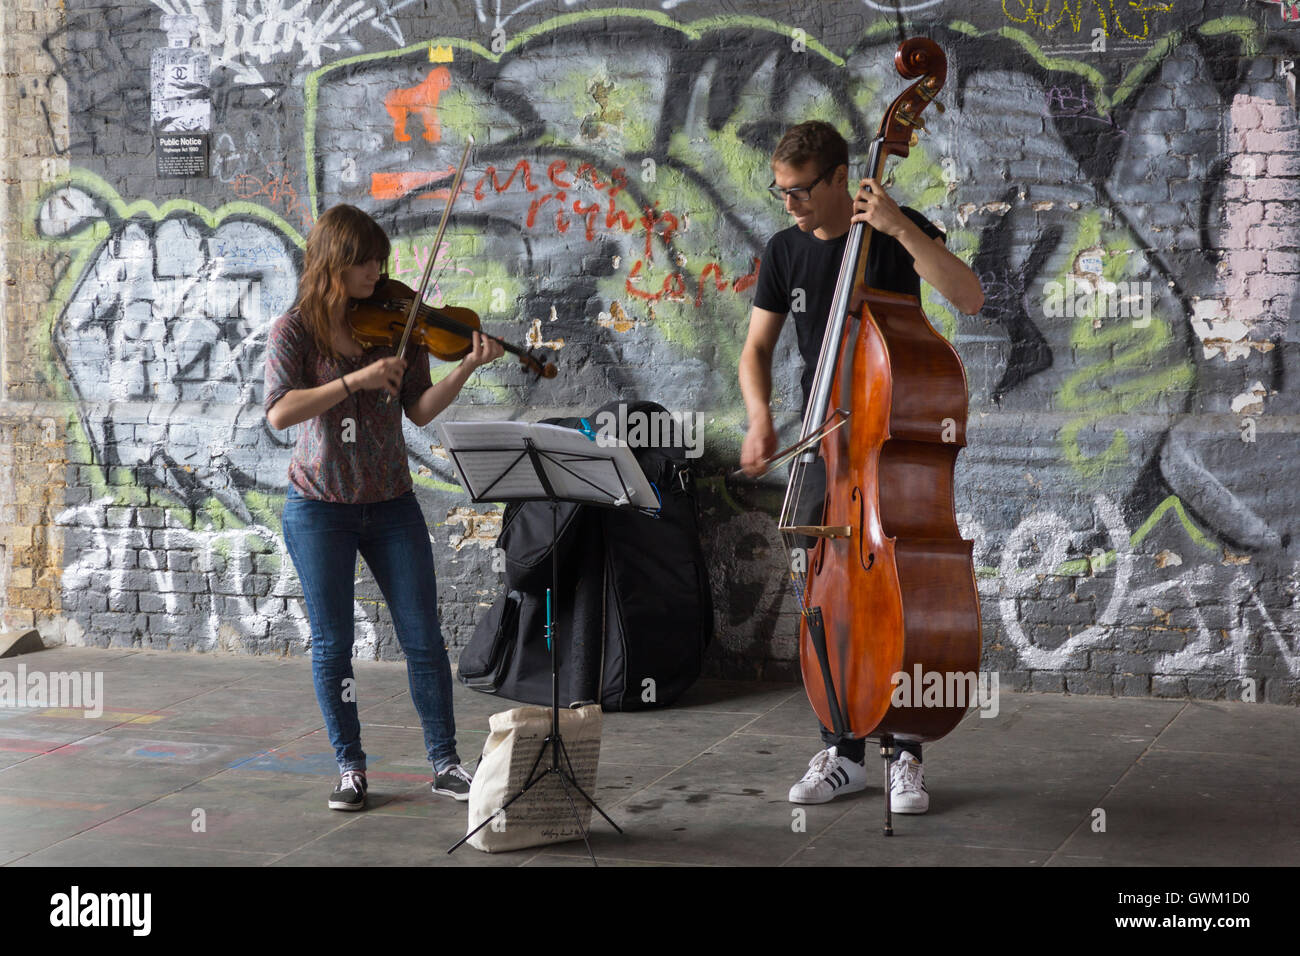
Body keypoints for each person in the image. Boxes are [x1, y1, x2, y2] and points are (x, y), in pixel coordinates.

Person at [738, 121, 984, 812]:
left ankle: (905, 750)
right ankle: (841, 749)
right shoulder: (785, 251)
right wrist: (760, 417)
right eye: (781, 192)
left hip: (885, 445)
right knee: (829, 601)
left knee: (899, 600)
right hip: (826, 445)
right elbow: (756, 349)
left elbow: (968, 296)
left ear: (843, 177)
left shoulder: (893, 234)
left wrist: (902, 228)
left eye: (801, 191)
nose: (790, 205)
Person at [264, 203, 503, 811]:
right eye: (366, 261)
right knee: (333, 644)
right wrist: (356, 381)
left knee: (423, 636)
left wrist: (467, 368)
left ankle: (445, 763)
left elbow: (419, 409)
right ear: (334, 263)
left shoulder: (399, 326)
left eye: (380, 261)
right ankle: (350, 768)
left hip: (391, 501)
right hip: (320, 507)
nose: (378, 271)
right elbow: (280, 412)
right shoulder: (293, 331)